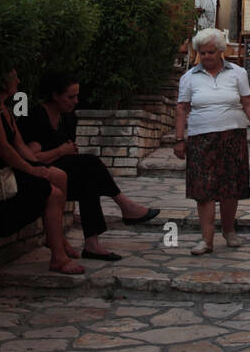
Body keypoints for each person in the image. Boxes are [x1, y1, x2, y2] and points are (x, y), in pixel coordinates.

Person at [19, 70, 159, 261]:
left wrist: (67, 152)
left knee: (88, 178)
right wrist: (61, 151)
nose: (76, 101)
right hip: (39, 175)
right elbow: (32, 157)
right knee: (90, 164)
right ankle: (125, 206)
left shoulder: (68, 118)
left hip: (62, 175)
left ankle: (92, 244)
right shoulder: (37, 116)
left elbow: (69, 151)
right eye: (71, 96)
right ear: (55, 95)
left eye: (77, 96)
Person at [0, 68, 83, 275]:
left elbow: (19, 145)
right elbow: (4, 149)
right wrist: (32, 170)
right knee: (52, 193)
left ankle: (58, 238)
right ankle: (58, 257)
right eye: (14, 76)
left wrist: (37, 164)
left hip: (15, 165)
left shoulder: (5, 110)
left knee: (59, 175)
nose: (18, 80)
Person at [174, 28, 250, 255]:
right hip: (200, 137)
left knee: (230, 188)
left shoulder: (237, 73)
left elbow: (248, 103)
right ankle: (207, 240)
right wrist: (178, 139)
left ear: (221, 52)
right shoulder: (189, 78)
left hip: (232, 135)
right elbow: (182, 108)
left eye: (211, 53)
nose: (206, 57)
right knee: (203, 189)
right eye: (202, 53)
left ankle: (228, 230)